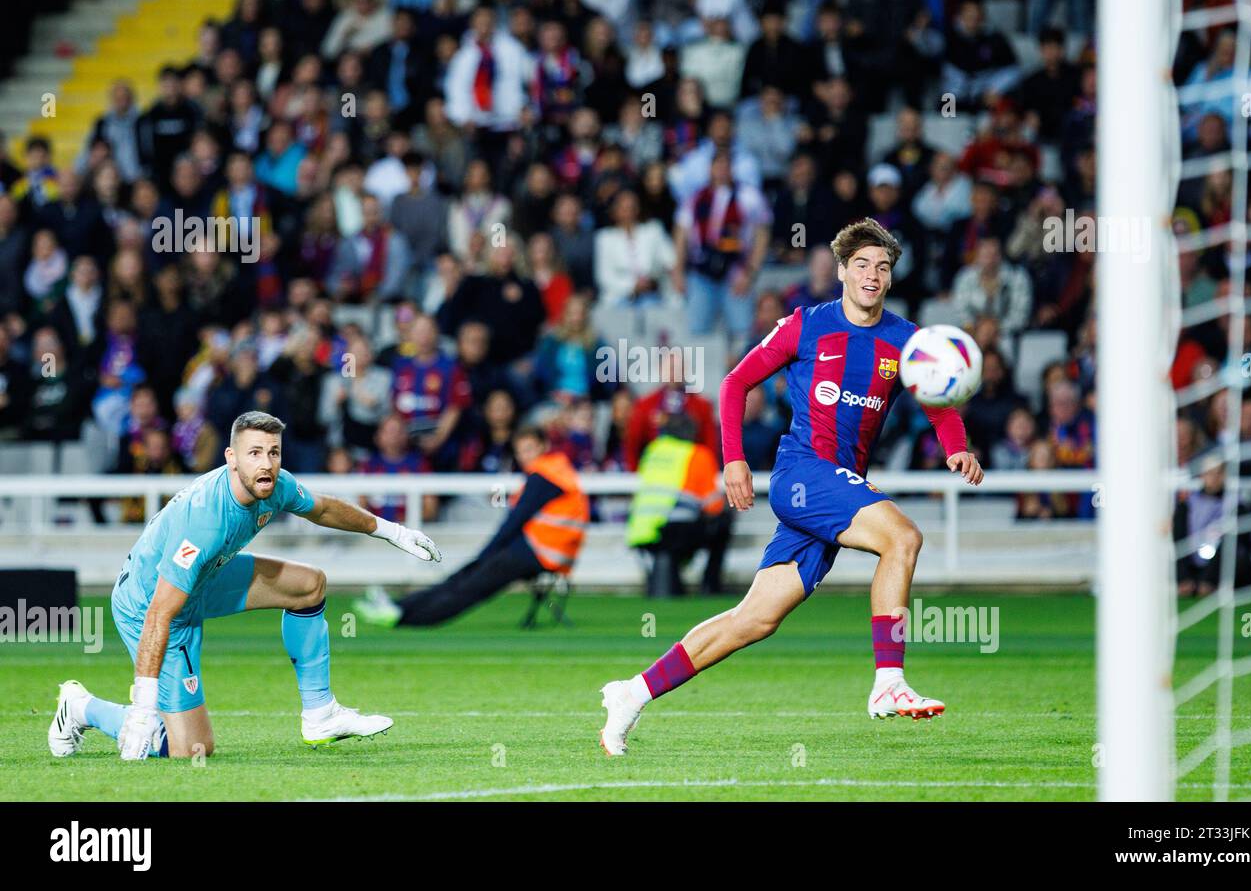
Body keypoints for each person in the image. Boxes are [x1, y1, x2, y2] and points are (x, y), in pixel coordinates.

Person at [598, 218, 984, 755]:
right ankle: (888, 683)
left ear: (891, 278)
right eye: (863, 265)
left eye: (883, 267)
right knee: (903, 538)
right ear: (843, 272)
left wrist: (956, 445)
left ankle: (632, 692)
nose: (872, 275)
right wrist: (734, 461)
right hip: (803, 474)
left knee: (754, 619)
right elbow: (735, 383)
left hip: (837, 489)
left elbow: (940, 402)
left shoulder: (908, 340)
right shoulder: (805, 325)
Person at [47, 411, 442, 761]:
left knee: (308, 584)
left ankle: (320, 716)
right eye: (254, 453)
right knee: (192, 749)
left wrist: (392, 532)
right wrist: (144, 708)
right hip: (149, 604)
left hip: (206, 580)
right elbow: (159, 614)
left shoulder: (274, 484)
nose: (266, 463)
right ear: (231, 459)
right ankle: (82, 708)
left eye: (273, 452)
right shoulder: (204, 522)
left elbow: (322, 508)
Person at [355, 426, 589, 627]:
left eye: (529, 449)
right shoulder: (560, 471)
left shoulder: (544, 476)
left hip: (538, 552)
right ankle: (397, 607)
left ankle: (402, 616)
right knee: (464, 580)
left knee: (467, 586)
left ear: (544, 446)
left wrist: (486, 553)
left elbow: (515, 521)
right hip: (545, 551)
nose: (525, 457)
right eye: (520, 452)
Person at [626, 413, 730, 596]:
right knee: (723, 522)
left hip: (641, 531)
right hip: (677, 530)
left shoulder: (653, 451)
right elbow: (713, 505)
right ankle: (710, 585)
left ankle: (668, 582)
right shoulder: (698, 454)